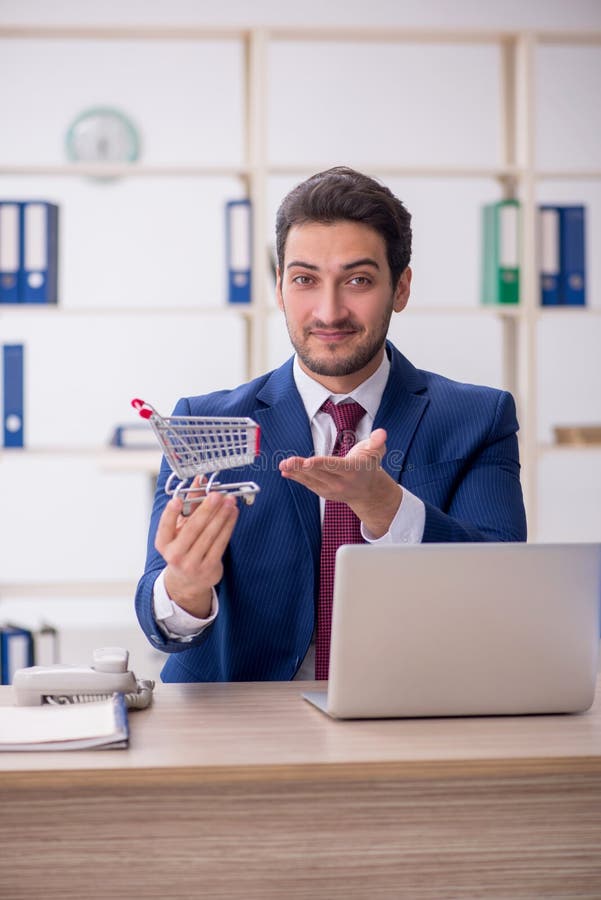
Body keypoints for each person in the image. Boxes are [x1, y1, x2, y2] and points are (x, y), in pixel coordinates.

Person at [135, 166, 527, 683]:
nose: (329, 310)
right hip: (244, 731)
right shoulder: (206, 424)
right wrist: (186, 588)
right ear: (279, 288)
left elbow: (505, 594)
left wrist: (387, 508)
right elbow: (158, 620)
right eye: (304, 280)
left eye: (358, 280)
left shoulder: (478, 418)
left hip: (413, 719)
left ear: (401, 288)